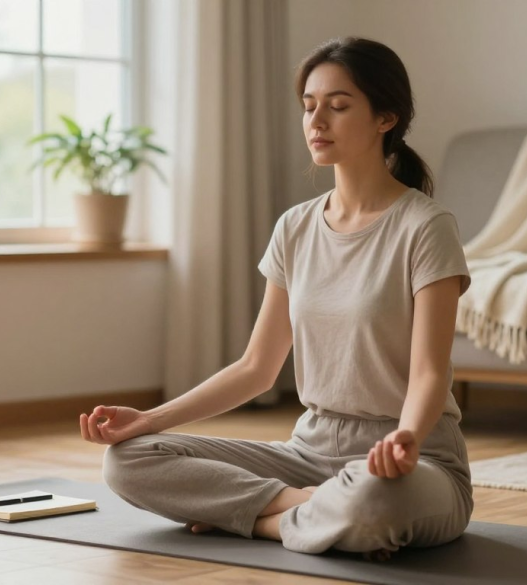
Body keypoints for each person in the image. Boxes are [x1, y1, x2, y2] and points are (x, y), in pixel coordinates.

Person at [78, 36, 473, 561]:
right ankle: (304, 512)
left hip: (408, 462)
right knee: (127, 460)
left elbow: (429, 372)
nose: (317, 121)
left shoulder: (426, 227)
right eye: (309, 107)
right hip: (307, 455)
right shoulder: (295, 227)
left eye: (337, 106)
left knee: (373, 500)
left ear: (386, 118)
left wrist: (407, 438)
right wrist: (149, 420)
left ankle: (264, 520)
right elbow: (256, 368)